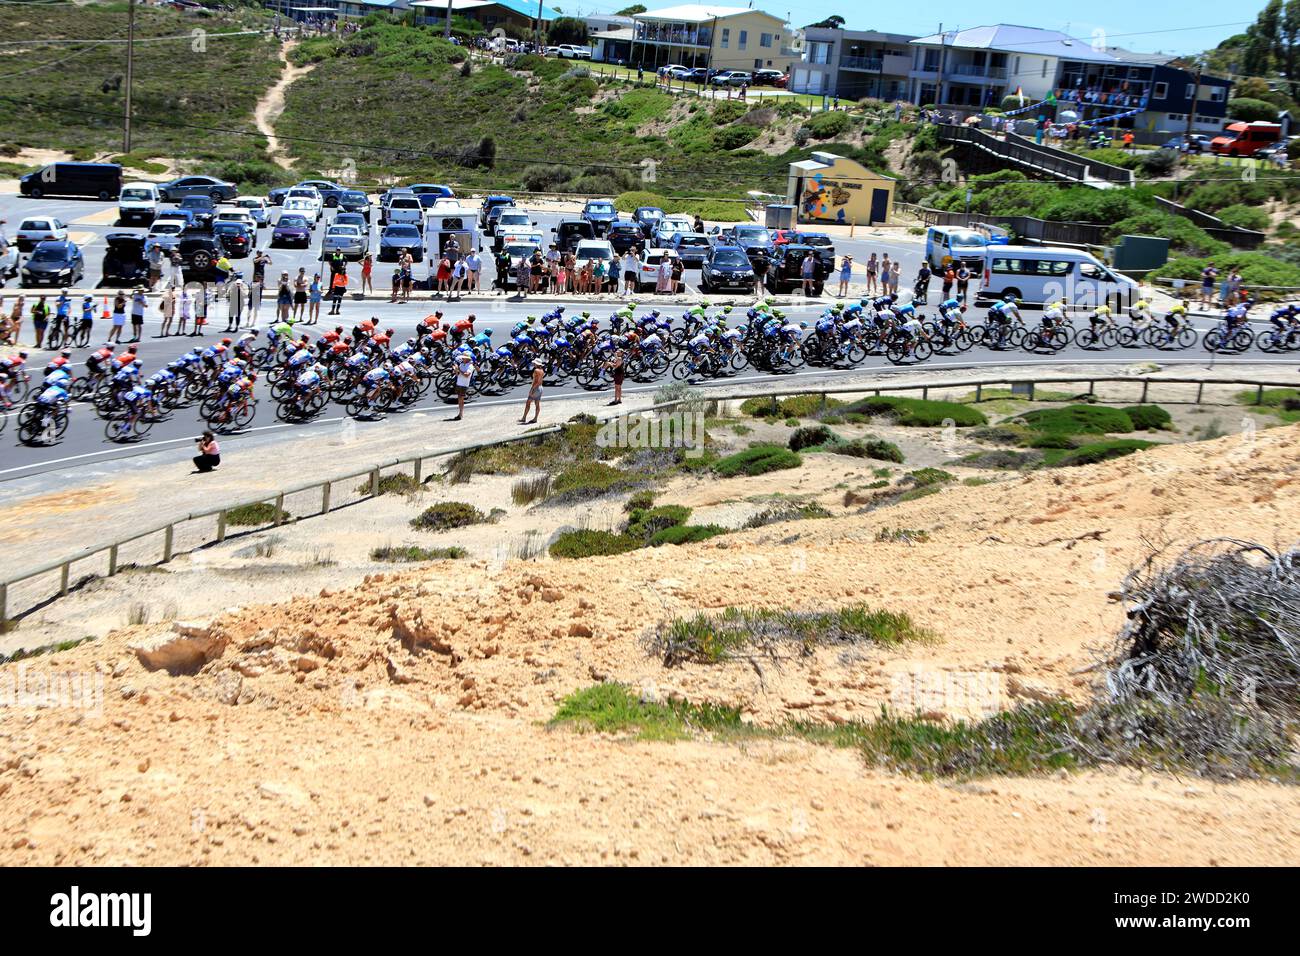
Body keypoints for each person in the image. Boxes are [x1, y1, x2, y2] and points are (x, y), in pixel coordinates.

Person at [519, 358, 545, 424]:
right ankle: (535, 418)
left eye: (534, 363)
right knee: (537, 403)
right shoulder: (542, 370)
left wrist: (532, 389)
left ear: (537, 364)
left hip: (535, 388)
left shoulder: (536, 370)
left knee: (528, 402)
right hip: (540, 388)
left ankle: (524, 418)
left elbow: (536, 381)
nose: (533, 364)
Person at [451, 348, 474, 421]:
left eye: (464, 358)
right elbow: (458, 374)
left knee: (461, 399)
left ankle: (461, 414)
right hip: (459, 383)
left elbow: (467, 375)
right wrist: (455, 370)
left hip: (464, 384)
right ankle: (460, 413)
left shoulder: (470, 366)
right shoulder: (462, 364)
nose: (462, 359)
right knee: (459, 399)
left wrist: (459, 370)